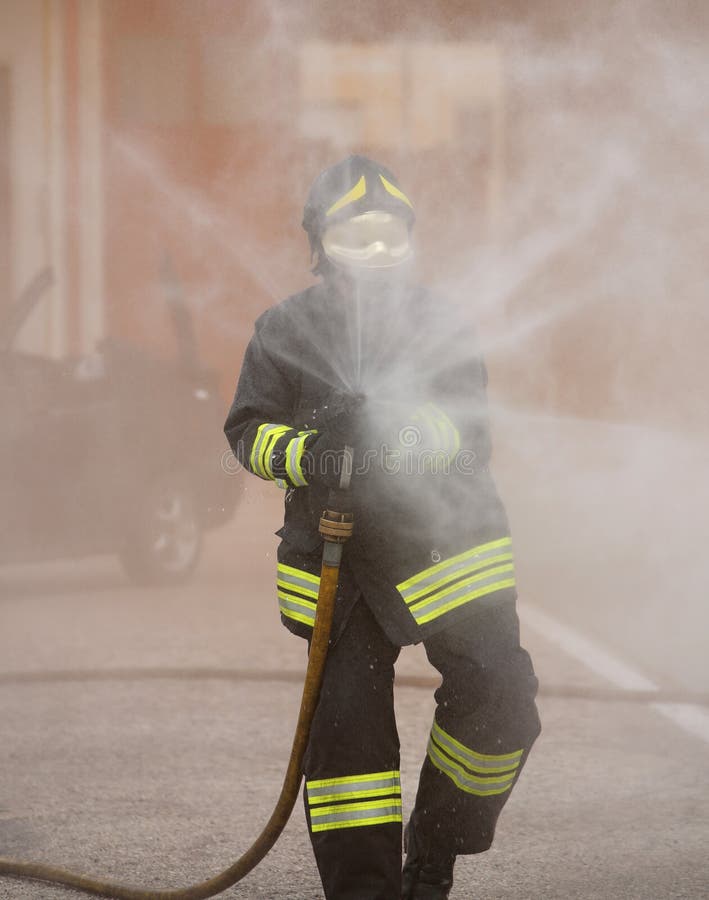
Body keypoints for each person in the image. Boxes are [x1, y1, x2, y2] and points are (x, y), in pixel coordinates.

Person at [224, 155, 541, 900]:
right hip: (338, 559)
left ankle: (434, 848)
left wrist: (394, 442)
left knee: (499, 697)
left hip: (445, 548)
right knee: (347, 739)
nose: (374, 254)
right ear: (319, 244)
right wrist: (310, 453)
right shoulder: (283, 330)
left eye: (390, 237)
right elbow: (245, 430)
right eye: (354, 237)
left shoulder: (442, 324)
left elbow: (467, 429)